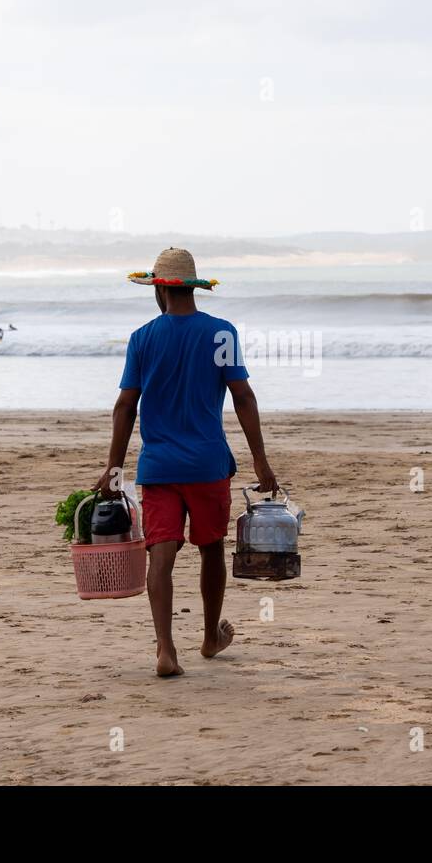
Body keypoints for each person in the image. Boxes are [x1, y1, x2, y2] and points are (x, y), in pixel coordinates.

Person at [94, 248, 279, 678]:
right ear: (192, 288)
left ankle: (165, 649)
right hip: (208, 464)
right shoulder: (220, 334)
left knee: (161, 552)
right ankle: (211, 636)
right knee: (210, 547)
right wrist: (261, 461)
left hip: (159, 466)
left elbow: (125, 406)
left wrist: (114, 467)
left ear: (160, 288)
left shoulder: (143, 338)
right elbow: (243, 396)